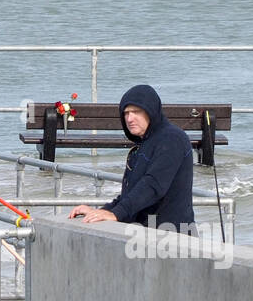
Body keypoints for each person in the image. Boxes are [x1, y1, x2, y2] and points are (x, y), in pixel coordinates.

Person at [68, 83, 195, 232]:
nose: (129, 118)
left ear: (151, 112)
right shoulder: (145, 143)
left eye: (136, 112)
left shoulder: (171, 139)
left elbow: (153, 185)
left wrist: (116, 213)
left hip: (173, 236)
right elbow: (131, 193)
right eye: (126, 113)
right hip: (146, 233)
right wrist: (103, 211)